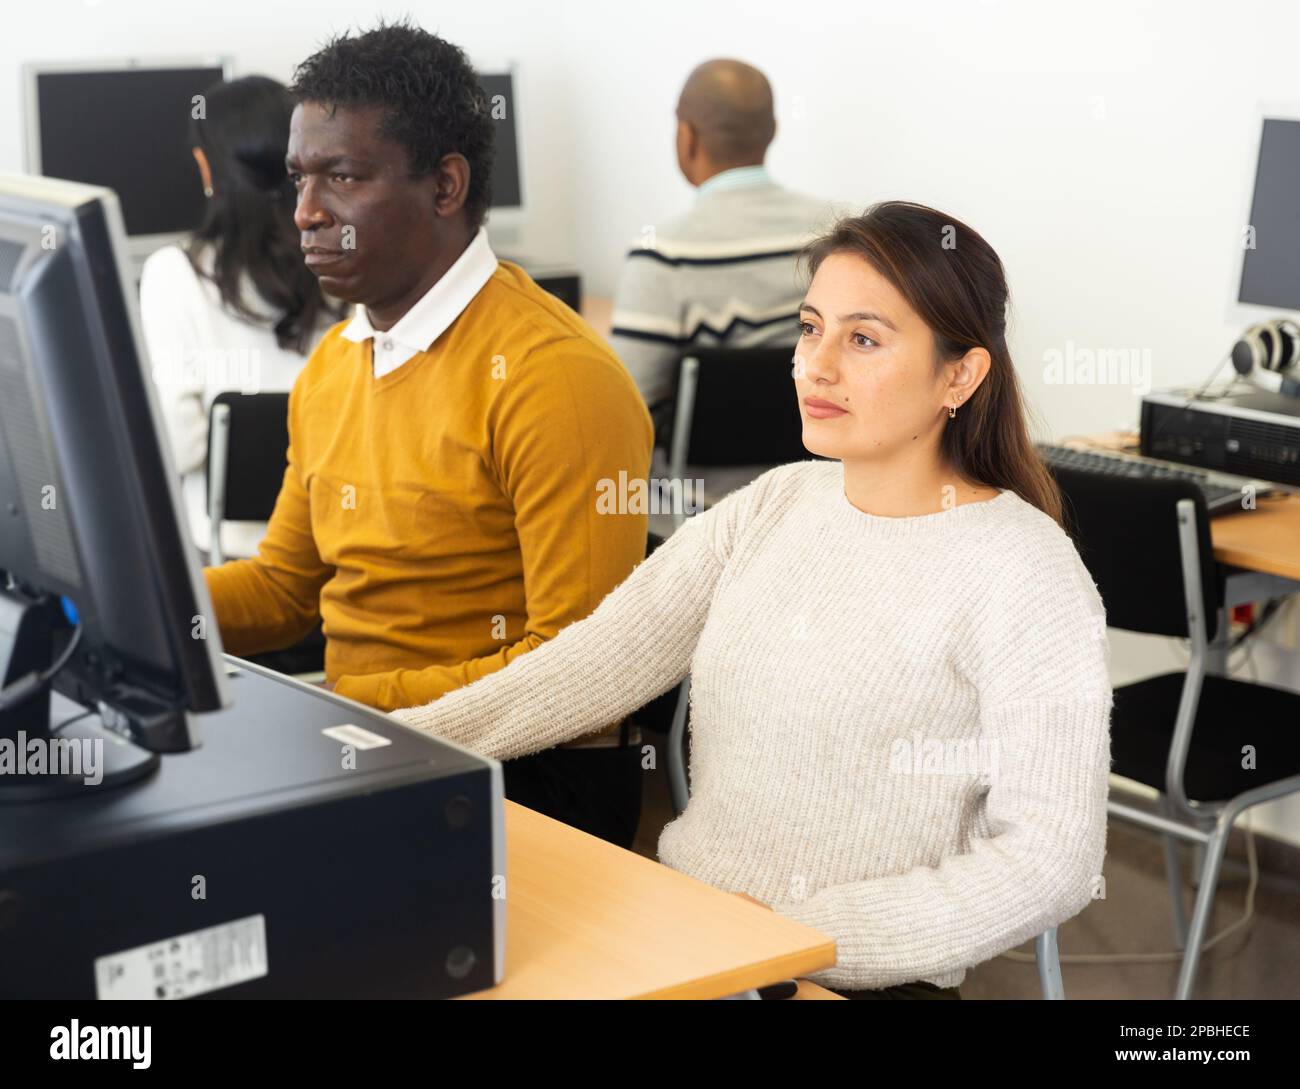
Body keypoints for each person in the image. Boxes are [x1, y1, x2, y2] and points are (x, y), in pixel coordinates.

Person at [392, 202, 1114, 998]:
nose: (815, 365)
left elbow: (1053, 858)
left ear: (960, 375)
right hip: (692, 934)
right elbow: (591, 665)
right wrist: (394, 746)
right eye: (811, 328)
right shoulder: (776, 503)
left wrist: (807, 936)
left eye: (862, 339)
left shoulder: (1025, 569)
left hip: (835, 974)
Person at [203, 22, 653, 847]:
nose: (305, 213)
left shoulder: (556, 377)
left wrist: (348, 706)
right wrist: (141, 605)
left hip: (517, 771)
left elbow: (583, 673)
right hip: (371, 746)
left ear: (446, 186)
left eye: (342, 177)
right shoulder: (336, 364)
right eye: (299, 179)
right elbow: (280, 590)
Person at [142, 75, 341, 560]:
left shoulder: (174, 274)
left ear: (205, 169)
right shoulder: (345, 260)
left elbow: (180, 445)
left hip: (228, 560)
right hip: (336, 547)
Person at [609, 58, 830, 435]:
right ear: (772, 131)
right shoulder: (836, 232)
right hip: (819, 481)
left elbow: (627, 408)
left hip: (699, 493)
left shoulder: (663, 254)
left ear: (686, 136)